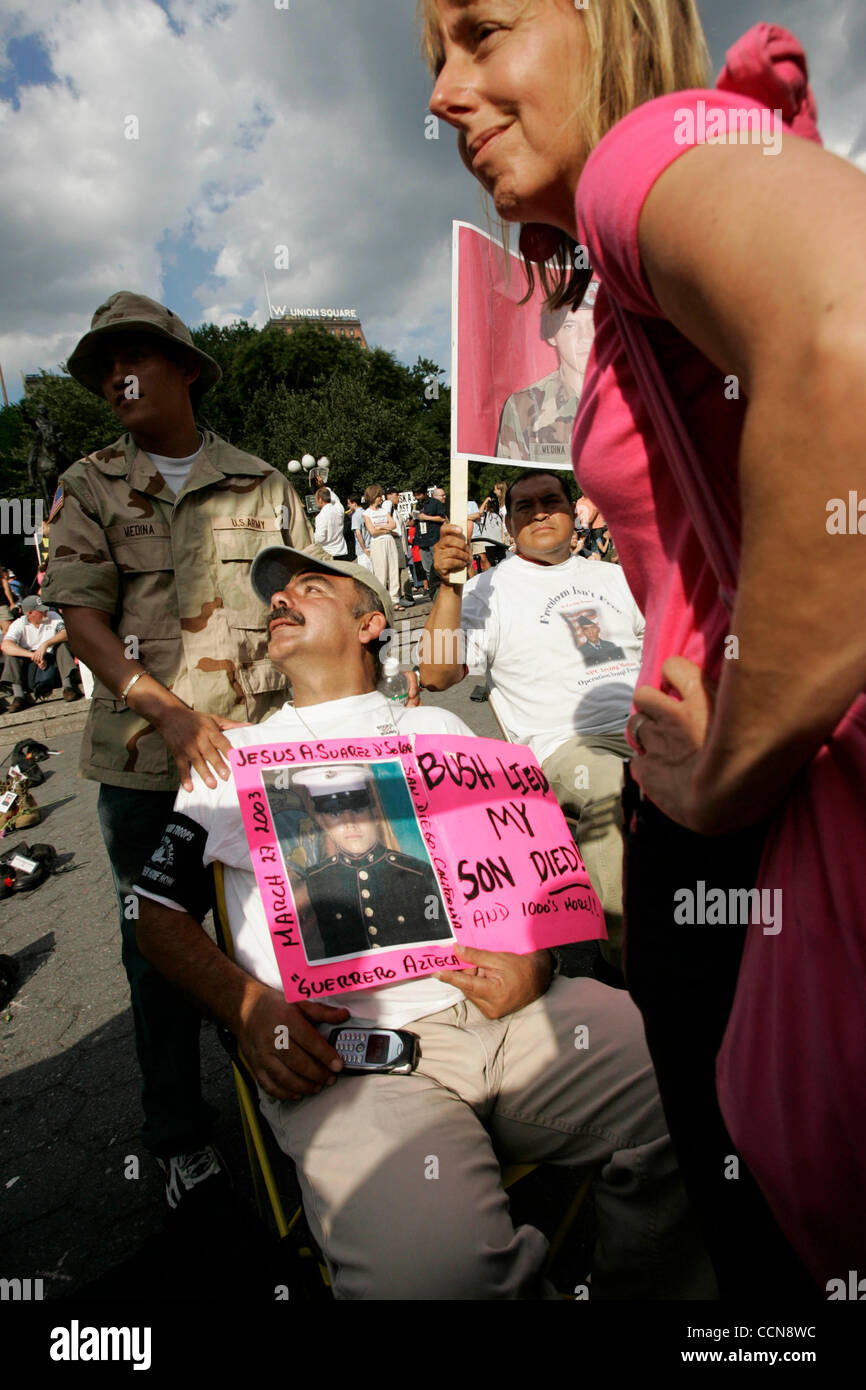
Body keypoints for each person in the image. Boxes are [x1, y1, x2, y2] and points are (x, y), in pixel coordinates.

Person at [422, 0, 840, 1295]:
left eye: (481, 31)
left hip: (764, 815)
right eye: (430, 56)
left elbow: (852, 346)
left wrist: (729, 766)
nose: (442, 93)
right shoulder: (640, 218)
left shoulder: (643, 153)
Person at [136, 541, 715, 1301]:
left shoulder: (443, 729)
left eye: (308, 588)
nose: (280, 602)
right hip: (351, 1062)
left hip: (520, 1020)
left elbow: (524, 872)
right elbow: (155, 915)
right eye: (274, 599)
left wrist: (536, 961)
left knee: (712, 1088)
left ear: (371, 621)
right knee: (438, 1278)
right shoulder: (232, 757)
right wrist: (246, 1010)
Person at [40, 290, 312, 1215]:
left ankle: (294, 1093)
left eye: (137, 354)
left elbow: (301, 606)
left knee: (279, 936)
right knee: (159, 954)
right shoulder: (89, 484)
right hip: (148, 770)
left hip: (261, 758)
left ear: (186, 368)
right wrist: (169, 715)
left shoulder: (263, 482)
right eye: (103, 362)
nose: (118, 373)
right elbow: (81, 621)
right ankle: (177, 1137)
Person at [420, 469, 643, 969]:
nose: (540, 512)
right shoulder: (483, 590)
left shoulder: (616, 577)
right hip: (570, 748)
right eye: (525, 506)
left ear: (574, 511)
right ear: (507, 520)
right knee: (609, 784)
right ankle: (639, 972)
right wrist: (449, 587)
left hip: (650, 730)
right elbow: (435, 674)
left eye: (552, 501)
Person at [286, 764, 451, 962]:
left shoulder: (417, 872)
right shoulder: (317, 879)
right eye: (335, 814)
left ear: (374, 814)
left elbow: (440, 939)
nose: (349, 823)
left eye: (357, 809)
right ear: (322, 822)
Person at [496, 298, 596, 464]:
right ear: (552, 336)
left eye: (595, 323)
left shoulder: (639, 401)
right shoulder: (523, 406)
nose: (585, 337)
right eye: (569, 326)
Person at [0, 595, 80, 710]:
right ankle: (19, 696)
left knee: (63, 645)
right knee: (11, 655)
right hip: (31, 666)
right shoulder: (19, 624)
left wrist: (45, 644)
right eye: (41, 610)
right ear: (30, 613)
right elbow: (6, 646)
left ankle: (67, 687)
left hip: (52, 661)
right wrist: (33, 655)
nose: (46, 611)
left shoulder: (53, 616)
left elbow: (65, 633)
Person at [361, 485, 407, 609]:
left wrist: (381, 528)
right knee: (381, 572)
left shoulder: (384, 510)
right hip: (377, 543)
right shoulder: (367, 513)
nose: (381, 498)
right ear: (373, 497)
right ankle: (382, 601)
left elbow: (393, 524)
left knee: (393, 569)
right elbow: (372, 531)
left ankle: (394, 600)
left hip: (389, 540)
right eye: (378, 496)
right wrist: (385, 529)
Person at [411, 482, 447, 597]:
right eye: (415, 495)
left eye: (419, 495)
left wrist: (425, 517)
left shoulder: (435, 503)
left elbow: (442, 518)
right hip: (422, 539)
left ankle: (444, 589)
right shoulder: (416, 505)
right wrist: (412, 519)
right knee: (427, 568)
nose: (417, 497)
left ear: (425, 493)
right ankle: (434, 592)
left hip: (434, 538)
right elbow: (412, 522)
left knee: (438, 566)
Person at [383, 486, 414, 604]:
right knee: (398, 569)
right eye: (396, 495)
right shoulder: (387, 505)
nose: (398, 497)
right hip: (395, 540)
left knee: (401, 568)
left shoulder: (394, 509)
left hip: (399, 540)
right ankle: (399, 597)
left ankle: (403, 596)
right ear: (389, 495)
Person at [313, 486, 348, 558]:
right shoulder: (339, 509)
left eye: (315, 499)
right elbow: (336, 499)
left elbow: (320, 538)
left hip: (329, 554)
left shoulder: (320, 516)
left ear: (320, 499)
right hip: (342, 551)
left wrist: (312, 536)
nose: (315, 502)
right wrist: (324, 487)